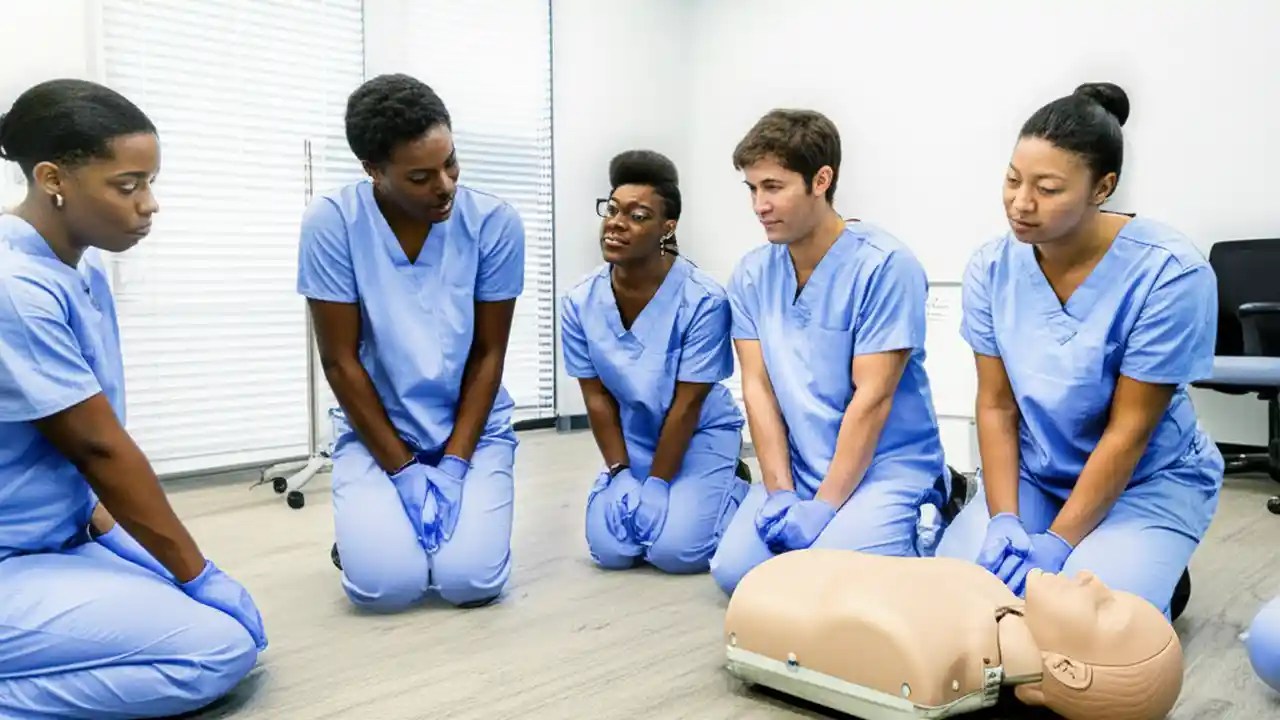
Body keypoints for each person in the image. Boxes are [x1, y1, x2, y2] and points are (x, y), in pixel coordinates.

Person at [0, 79, 265, 718]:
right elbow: (98, 447)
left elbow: (54, 444)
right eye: (127, 186)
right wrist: (196, 572)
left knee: (225, 628)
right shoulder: (15, 286)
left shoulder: (79, 268)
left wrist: (113, 531)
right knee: (216, 651)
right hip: (14, 557)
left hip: (53, 539)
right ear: (53, 179)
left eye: (149, 182)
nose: (149, 204)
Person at [933, 83, 1224, 618]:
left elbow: (1128, 432)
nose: (1021, 203)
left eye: (1047, 189)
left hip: (1145, 480)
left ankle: (1144, 561)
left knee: (1079, 618)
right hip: (1038, 474)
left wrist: (1059, 543)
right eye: (1013, 180)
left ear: (1102, 188)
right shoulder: (992, 268)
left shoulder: (1169, 274)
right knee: (956, 603)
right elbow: (996, 406)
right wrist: (1004, 519)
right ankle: (1112, 559)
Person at [297, 73, 525, 611]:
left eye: (450, 163)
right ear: (373, 170)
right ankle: (372, 531)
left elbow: (489, 354)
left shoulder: (494, 223)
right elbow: (340, 361)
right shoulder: (333, 223)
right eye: (420, 176)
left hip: (471, 430)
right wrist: (402, 470)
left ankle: (432, 525)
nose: (445, 186)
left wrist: (455, 465)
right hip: (379, 430)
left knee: (470, 583)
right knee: (383, 589)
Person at [709, 109, 948, 596]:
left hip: (886, 468)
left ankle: (935, 504)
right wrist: (780, 492)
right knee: (734, 573)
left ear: (821, 180)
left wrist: (824, 507)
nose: (759, 205)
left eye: (773, 187)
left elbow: (873, 399)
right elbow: (758, 388)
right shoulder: (752, 274)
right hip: (801, 469)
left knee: (824, 582)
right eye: (752, 189)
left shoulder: (885, 267)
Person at [561, 150, 749, 574]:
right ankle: (625, 486)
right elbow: (596, 398)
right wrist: (620, 472)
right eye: (612, 210)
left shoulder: (703, 300)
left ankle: (733, 486)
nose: (616, 223)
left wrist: (660, 483)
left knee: (676, 553)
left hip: (698, 432)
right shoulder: (579, 302)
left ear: (668, 227)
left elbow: (688, 404)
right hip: (635, 436)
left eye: (637, 216)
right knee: (612, 552)